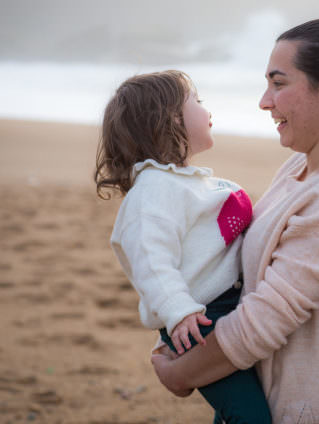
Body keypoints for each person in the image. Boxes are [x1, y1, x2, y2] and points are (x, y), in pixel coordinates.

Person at [150, 18, 319, 423]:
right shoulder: (301, 167)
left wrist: (179, 374)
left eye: (279, 83)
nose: (264, 101)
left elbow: (260, 324)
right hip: (276, 399)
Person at [95, 70, 271, 423]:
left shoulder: (183, 183)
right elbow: (151, 260)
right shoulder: (153, 190)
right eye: (198, 102)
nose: (208, 110)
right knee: (249, 414)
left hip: (225, 309)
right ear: (172, 118)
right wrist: (178, 312)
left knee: (239, 409)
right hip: (201, 319)